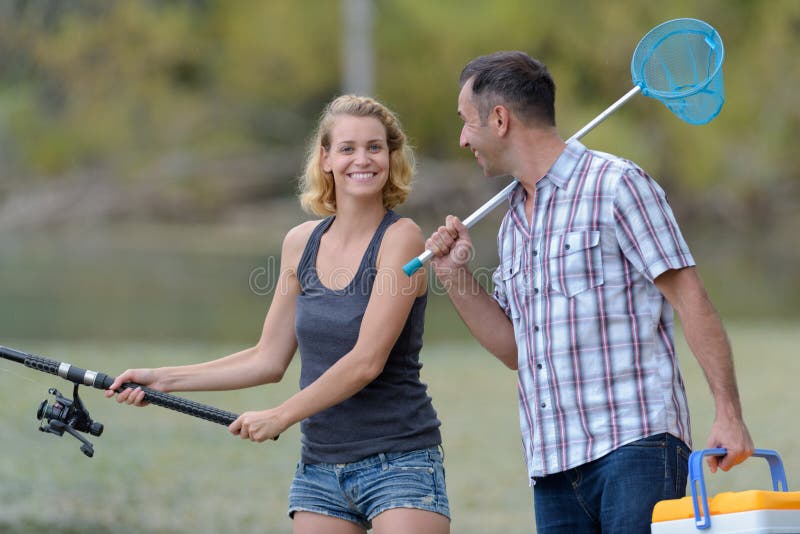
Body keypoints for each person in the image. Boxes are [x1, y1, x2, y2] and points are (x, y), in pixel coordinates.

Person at [424, 51, 753, 533]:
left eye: (465, 123)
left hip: (635, 445)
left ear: (499, 119)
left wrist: (729, 413)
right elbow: (516, 349)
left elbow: (691, 300)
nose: (461, 138)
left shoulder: (618, 185)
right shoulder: (512, 222)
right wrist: (454, 275)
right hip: (553, 464)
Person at [106, 95, 450, 534]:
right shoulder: (300, 243)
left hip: (400, 463)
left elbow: (366, 362)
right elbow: (267, 359)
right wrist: (162, 379)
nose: (361, 160)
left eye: (374, 147)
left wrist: (281, 415)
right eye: (347, 148)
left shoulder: (402, 240)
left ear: (390, 156)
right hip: (320, 470)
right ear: (325, 158)